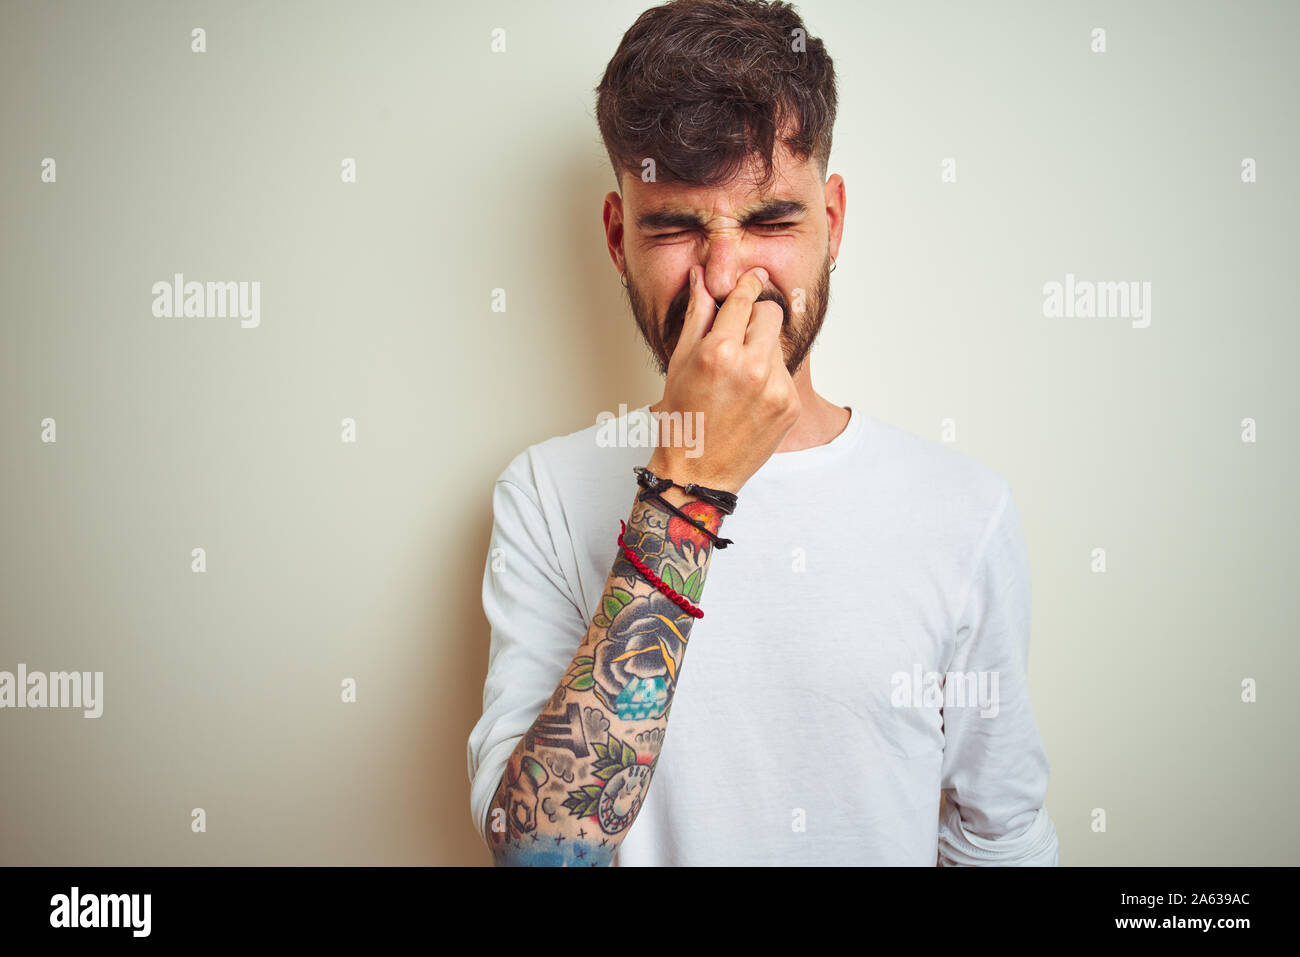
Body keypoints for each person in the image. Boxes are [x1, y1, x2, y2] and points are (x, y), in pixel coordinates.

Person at [466, 0, 1058, 866]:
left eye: (771, 220)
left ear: (835, 223)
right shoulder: (545, 495)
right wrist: (686, 491)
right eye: (674, 226)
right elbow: (541, 853)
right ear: (618, 236)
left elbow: (998, 839)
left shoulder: (963, 511)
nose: (725, 275)